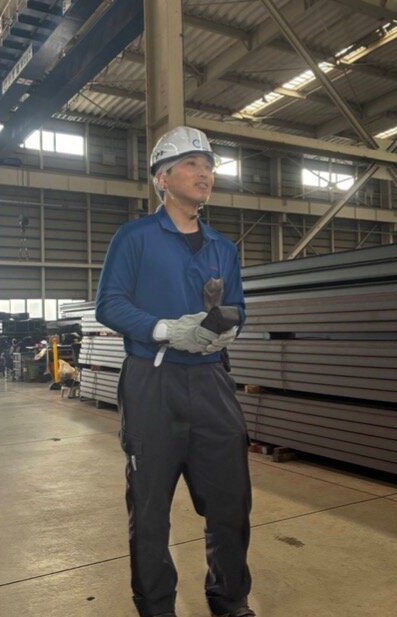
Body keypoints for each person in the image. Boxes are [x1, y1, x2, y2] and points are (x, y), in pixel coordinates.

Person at [95, 126, 254, 617]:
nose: (204, 173)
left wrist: (225, 331)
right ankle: (157, 607)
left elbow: (237, 308)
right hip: (153, 382)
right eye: (191, 164)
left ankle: (230, 601)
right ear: (162, 179)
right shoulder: (135, 238)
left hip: (210, 381)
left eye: (208, 166)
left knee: (230, 501)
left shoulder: (222, 247)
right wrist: (162, 329)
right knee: (149, 509)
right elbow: (109, 304)